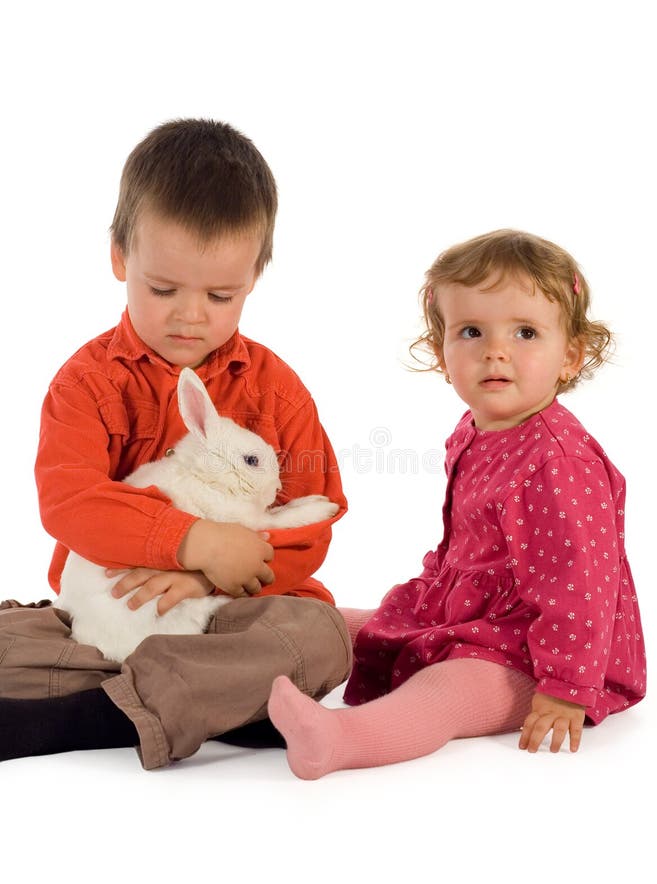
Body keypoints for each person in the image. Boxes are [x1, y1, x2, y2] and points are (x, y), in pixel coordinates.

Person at [0, 119, 351, 769]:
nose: (190, 315)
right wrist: (186, 538)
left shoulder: (277, 391)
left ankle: (87, 716)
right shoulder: (85, 382)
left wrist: (207, 571)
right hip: (101, 622)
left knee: (319, 639)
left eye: (220, 295)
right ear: (119, 258)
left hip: (229, 617)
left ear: (254, 278)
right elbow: (70, 500)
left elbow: (314, 515)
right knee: (9, 644)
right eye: (163, 289)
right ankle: (224, 701)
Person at [268, 228, 646, 779]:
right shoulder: (477, 430)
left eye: (525, 332)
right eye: (471, 331)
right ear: (443, 354)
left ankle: (337, 739)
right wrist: (425, 600)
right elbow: (467, 542)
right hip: (474, 612)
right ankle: (235, 655)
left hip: (539, 650)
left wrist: (566, 687)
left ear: (570, 356)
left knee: (445, 689)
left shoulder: (559, 462)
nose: (496, 350)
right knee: (353, 627)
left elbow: (583, 582)